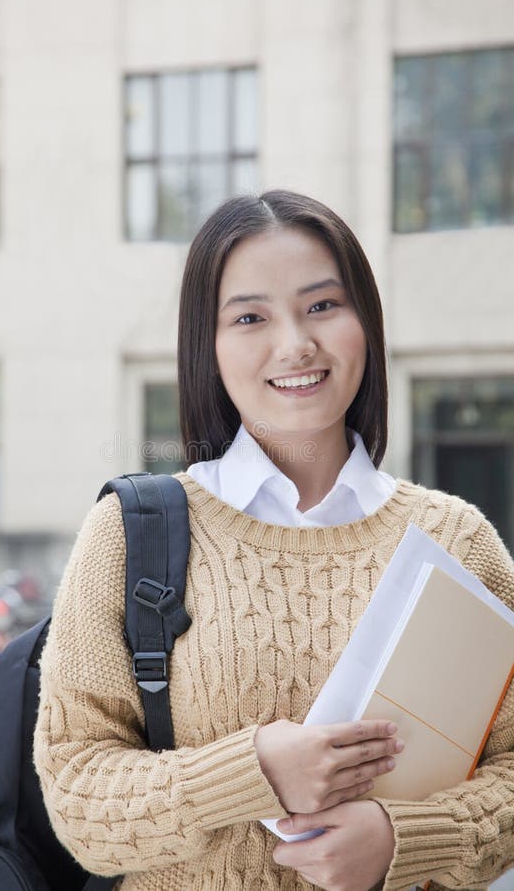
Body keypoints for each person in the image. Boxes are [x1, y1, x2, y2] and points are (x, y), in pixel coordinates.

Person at [33, 190, 514, 890]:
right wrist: (251, 772)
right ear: (210, 345)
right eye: (251, 317)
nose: (296, 344)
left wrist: (403, 839)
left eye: (323, 305)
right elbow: (77, 797)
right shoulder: (129, 536)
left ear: (365, 324)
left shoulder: (457, 540)